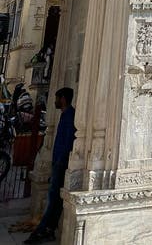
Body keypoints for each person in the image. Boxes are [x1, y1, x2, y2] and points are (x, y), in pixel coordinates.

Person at [25, 87, 76, 244]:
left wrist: (59, 161)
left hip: (61, 163)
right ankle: (48, 230)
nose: (55, 101)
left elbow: (67, 142)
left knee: (53, 199)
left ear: (63, 99)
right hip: (58, 162)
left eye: (57, 98)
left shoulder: (69, 116)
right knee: (55, 199)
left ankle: (41, 231)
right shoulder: (65, 115)